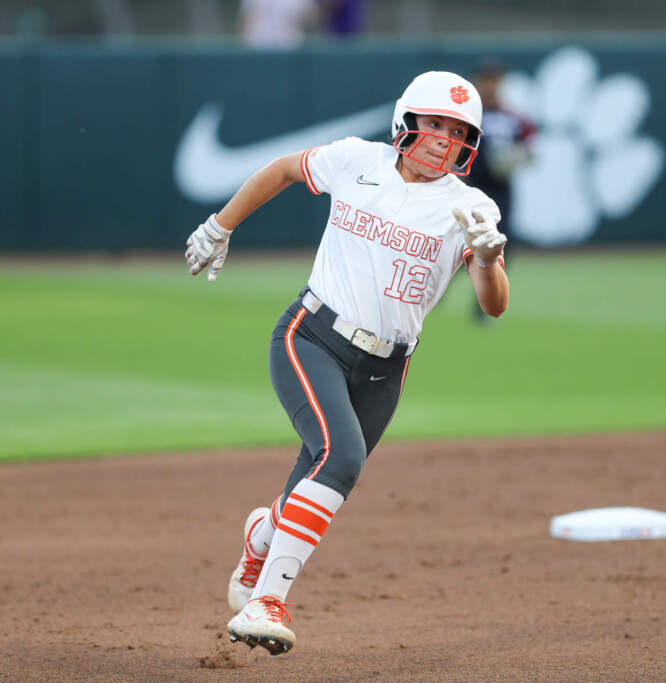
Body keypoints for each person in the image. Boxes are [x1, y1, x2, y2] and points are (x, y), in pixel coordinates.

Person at [185, 71, 509, 657]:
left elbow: (494, 305)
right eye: (435, 124)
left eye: (459, 131)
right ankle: (268, 601)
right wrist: (220, 224)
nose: (445, 139)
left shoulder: (471, 205)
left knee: (320, 471)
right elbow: (283, 169)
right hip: (312, 337)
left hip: (387, 370)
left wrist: (488, 258)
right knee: (342, 458)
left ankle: (263, 537)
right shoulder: (356, 160)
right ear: (405, 122)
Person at [464, 58, 535, 320]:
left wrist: (516, 157)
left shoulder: (512, 117)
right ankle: (434, 295)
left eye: (495, 79)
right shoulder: (468, 114)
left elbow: (530, 146)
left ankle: (484, 304)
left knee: (498, 246)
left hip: (501, 191)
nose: (491, 85)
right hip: (470, 187)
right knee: (455, 244)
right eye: (486, 79)